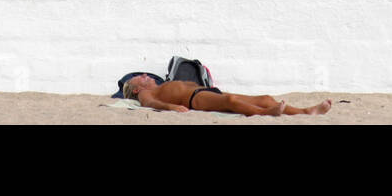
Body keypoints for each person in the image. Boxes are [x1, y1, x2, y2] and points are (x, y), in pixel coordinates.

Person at [121, 74, 332, 117]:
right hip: (195, 98)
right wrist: (172, 107)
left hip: (206, 91)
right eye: (140, 78)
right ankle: (267, 113)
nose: (145, 75)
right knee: (231, 102)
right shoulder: (146, 94)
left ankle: (306, 111)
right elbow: (151, 103)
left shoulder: (161, 84)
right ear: (136, 89)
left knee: (266, 97)